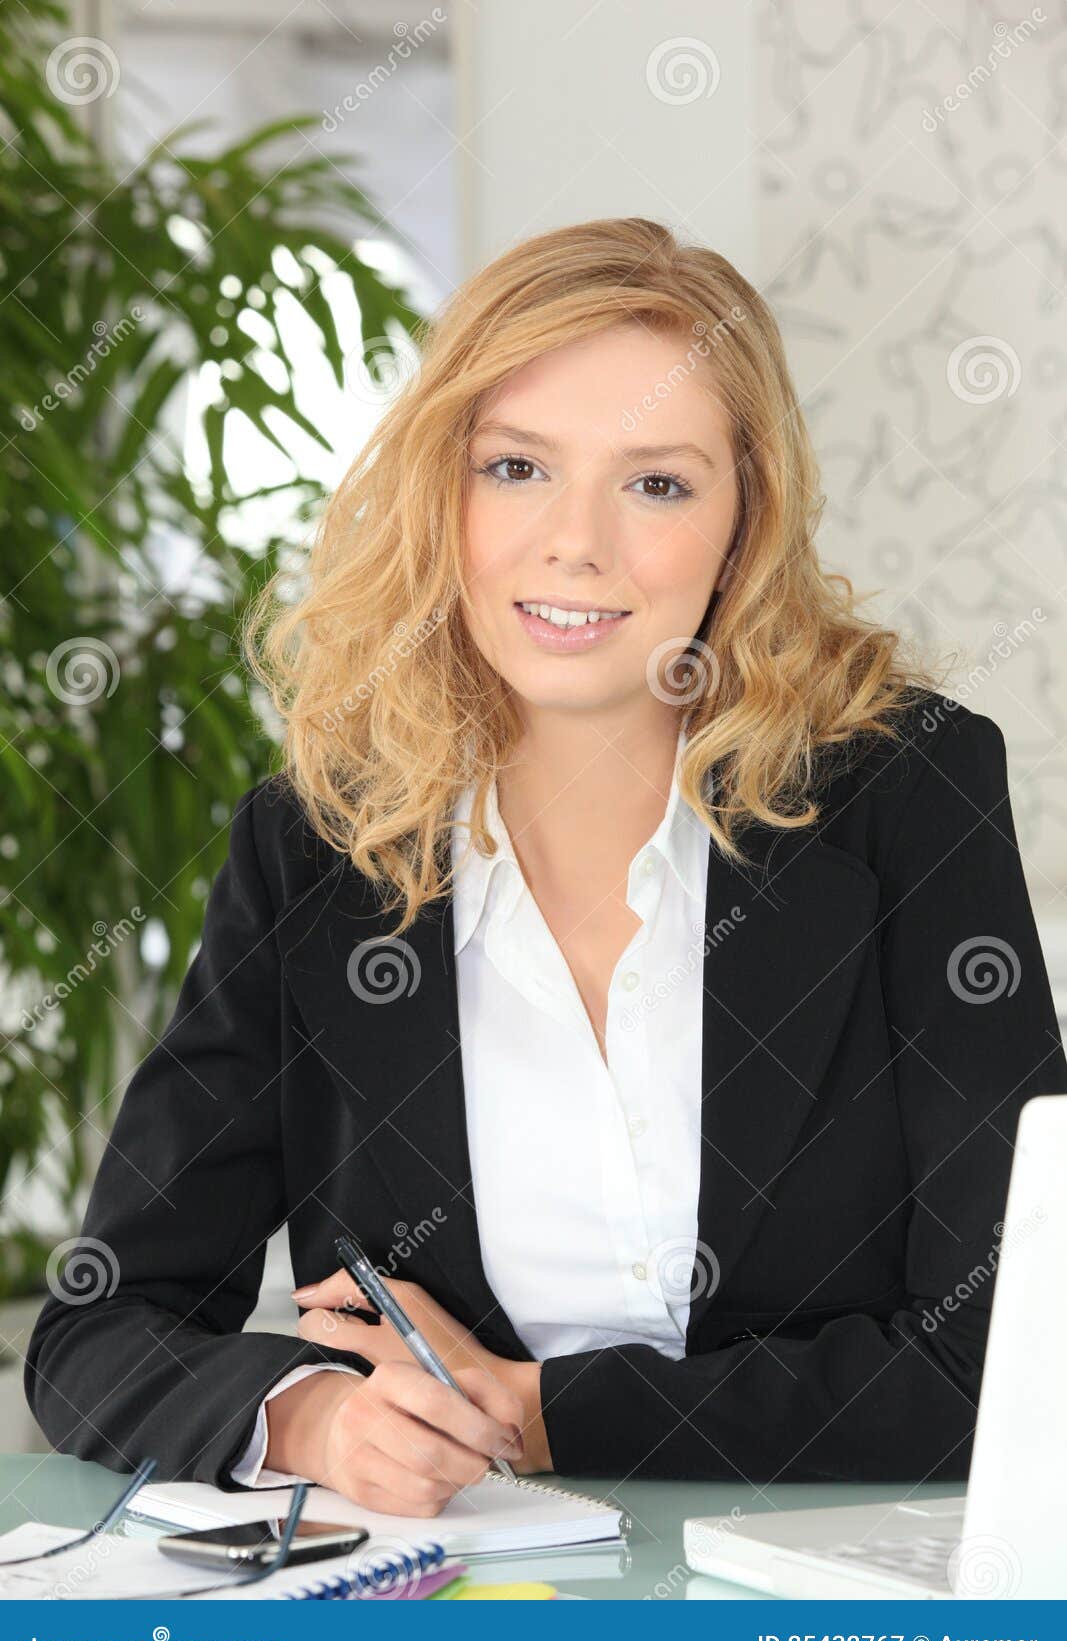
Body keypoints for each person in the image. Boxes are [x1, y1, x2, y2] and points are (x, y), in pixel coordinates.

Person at [26, 217, 1067, 1518]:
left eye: (657, 484)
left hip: (825, 1595)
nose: (575, 542)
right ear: (438, 493)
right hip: (460, 1600)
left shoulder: (905, 796)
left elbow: (1016, 1352)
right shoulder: (318, 845)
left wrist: (531, 1410)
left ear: (745, 521)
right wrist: (318, 1417)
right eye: (516, 466)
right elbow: (99, 1324)